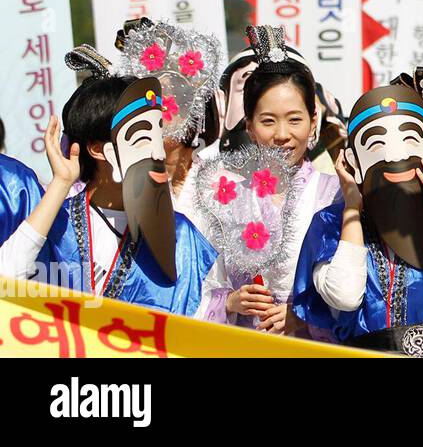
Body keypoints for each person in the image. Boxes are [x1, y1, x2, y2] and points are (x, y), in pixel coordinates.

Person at [0, 45, 215, 313]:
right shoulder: (55, 223)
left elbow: (202, 320)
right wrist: (60, 184)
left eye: (158, 136)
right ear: (99, 149)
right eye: (142, 139)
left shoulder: (181, 234)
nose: (158, 151)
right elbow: (6, 281)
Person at [291, 79, 423, 356]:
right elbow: (345, 297)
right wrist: (352, 208)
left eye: (410, 139)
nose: (396, 155)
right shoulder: (331, 222)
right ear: (352, 160)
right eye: (376, 144)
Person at [189, 26, 341, 336]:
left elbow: (356, 288)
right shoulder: (224, 195)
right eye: (268, 121)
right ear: (249, 125)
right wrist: (230, 301)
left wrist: (304, 315)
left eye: (295, 119)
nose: (282, 134)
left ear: (314, 121)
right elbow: (195, 288)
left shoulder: (334, 194)